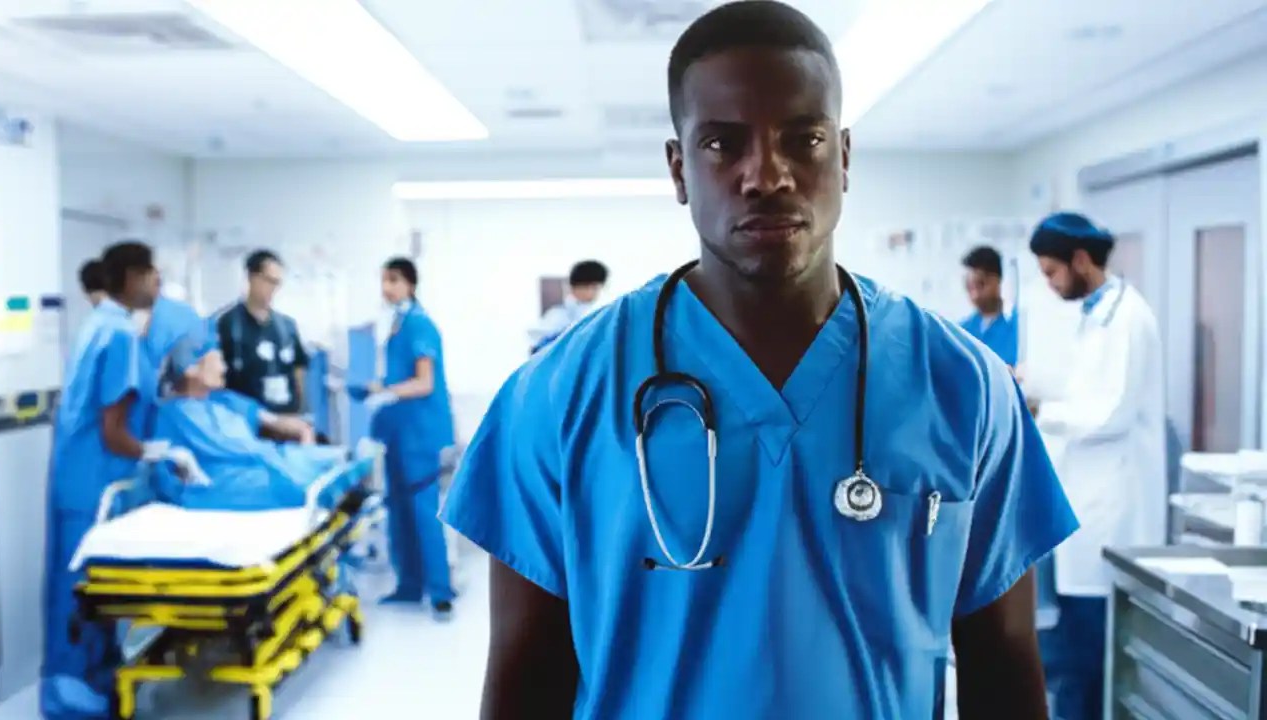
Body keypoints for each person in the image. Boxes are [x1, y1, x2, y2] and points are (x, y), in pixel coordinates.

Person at [441, 3, 1077, 718]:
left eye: (802, 139)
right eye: (722, 144)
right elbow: (527, 683)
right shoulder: (557, 396)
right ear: (678, 168)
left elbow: (1005, 664)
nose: (765, 174)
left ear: (842, 157)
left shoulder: (965, 388)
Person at [1025, 211, 1165, 720]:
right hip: (1085, 505)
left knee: (1085, 654)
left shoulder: (1128, 318)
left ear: (1080, 260)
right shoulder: (1098, 313)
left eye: (1051, 271)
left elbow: (1110, 412)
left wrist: (1041, 410)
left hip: (1111, 512)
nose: (1050, 282)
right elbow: (1088, 394)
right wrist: (1037, 390)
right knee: (1071, 648)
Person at [41, 241, 187, 719]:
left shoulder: (95, 325)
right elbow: (114, 430)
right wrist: (157, 453)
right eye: (150, 273)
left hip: (75, 481)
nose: (156, 283)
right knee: (88, 595)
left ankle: (74, 691)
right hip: (96, 486)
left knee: (74, 590)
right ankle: (80, 697)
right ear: (130, 277)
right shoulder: (121, 336)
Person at [358, 258, 456, 619]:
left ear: (411, 284)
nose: (387, 288)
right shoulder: (397, 325)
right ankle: (409, 585)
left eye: (394, 280)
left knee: (422, 511)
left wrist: (386, 392)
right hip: (400, 434)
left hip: (420, 435)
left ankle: (441, 592)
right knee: (398, 510)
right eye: (384, 280)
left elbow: (424, 382)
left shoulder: (419, 324)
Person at [152, 331, 341, 511]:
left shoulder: (220, 403)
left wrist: (298, 446)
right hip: (217, 483)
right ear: (191, 369)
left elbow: (265, 427)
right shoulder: (177, 412)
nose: (223, 368)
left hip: (247, 467)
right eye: (217, 361)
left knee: (329, 462)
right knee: (296, 481)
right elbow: (231, 447)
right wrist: (288, 457)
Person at [214, 249, 310, 416]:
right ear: (251, 277)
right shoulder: (228, 324)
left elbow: (298, 369)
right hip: (244, 420)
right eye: (268, 281)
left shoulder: (287, 327)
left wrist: (299, 409)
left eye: (277, 283)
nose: (273, 288)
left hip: (286, 418)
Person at [529, 259, 609, 353]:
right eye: (594, 287)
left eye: (598, 288)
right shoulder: (557, 315)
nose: (595, 292)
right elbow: (539, 347)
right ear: (577, 286)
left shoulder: (597, 312)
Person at [959, 245, 1018, 366]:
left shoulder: (1018, 327)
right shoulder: (962, 331)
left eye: (981, 285)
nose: (975, 295)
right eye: (969, 287)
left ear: (997, 280)